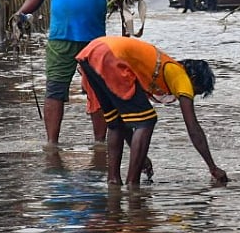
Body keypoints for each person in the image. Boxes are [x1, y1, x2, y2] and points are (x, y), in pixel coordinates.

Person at [12, 0, 115, 145]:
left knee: (97, 92)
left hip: (95, 40)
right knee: (56, 89)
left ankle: (100, 143)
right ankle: (52, 143)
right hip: (61, 38)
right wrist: (22, 13)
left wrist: (124, 1)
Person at [76, 36, 228, 188]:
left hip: (91, 53)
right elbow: (193, 128)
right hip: (110, 55)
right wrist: (213, 167)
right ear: (193, 78)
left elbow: (126, 124)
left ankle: (114, 180)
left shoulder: (158, 70)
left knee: (116, 122)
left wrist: (141, 158)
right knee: (147, 121)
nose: (190, 95)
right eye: (196, 92)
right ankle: (132, 183)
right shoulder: (181, 77)